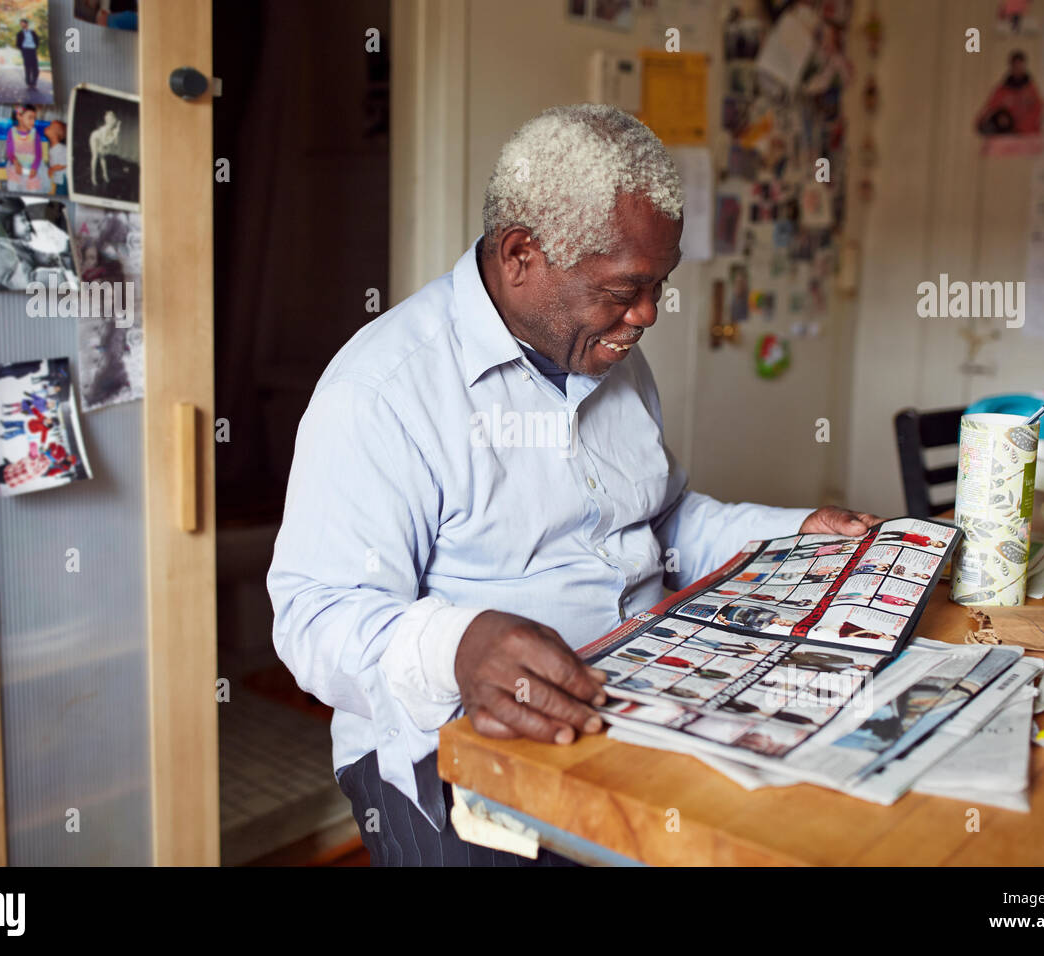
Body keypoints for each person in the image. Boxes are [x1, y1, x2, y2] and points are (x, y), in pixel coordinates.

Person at [267, 104, 880, 867]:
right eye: (626, 288)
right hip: (459, 752)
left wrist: (792, 533)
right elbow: (312, 620)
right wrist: (458, 646)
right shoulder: (383, 391)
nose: (649, 314)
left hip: (645, 699)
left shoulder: (608, 355)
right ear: (522, 253)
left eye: (661, 283)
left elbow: (660, 521)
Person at [6, 105, 43, 193]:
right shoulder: (12, 132)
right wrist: (16, 162)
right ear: (19, 117)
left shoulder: (35, 134)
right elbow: (10, 152)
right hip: (16, 166)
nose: (33, 121)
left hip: (31, 167)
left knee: (33, 190)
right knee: (13, 186)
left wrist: (34, 168)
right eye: (30, 118)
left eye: (34, 118)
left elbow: (38, 154)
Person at [44, 119, 68, 196]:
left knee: (61, 195)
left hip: (64, 178)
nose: (47, 127)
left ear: (55, 134)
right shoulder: (53, 148)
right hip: (59, 178)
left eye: (50, 127)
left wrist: (52, 169)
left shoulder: (60, 148)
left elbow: (65, 163)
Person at [15, 18, 40, 89]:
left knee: (35, 68)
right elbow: (17, 44)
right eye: (21, 23)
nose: (22, 24)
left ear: (27, 24)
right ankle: (29, 84)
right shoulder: (19, 33)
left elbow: (37, 40)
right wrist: (22, 49)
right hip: (25, 51)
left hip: (33, 50)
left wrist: (35, 47)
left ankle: (34, 82)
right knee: (28, 68)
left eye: (23, 23)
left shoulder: (32, 32)